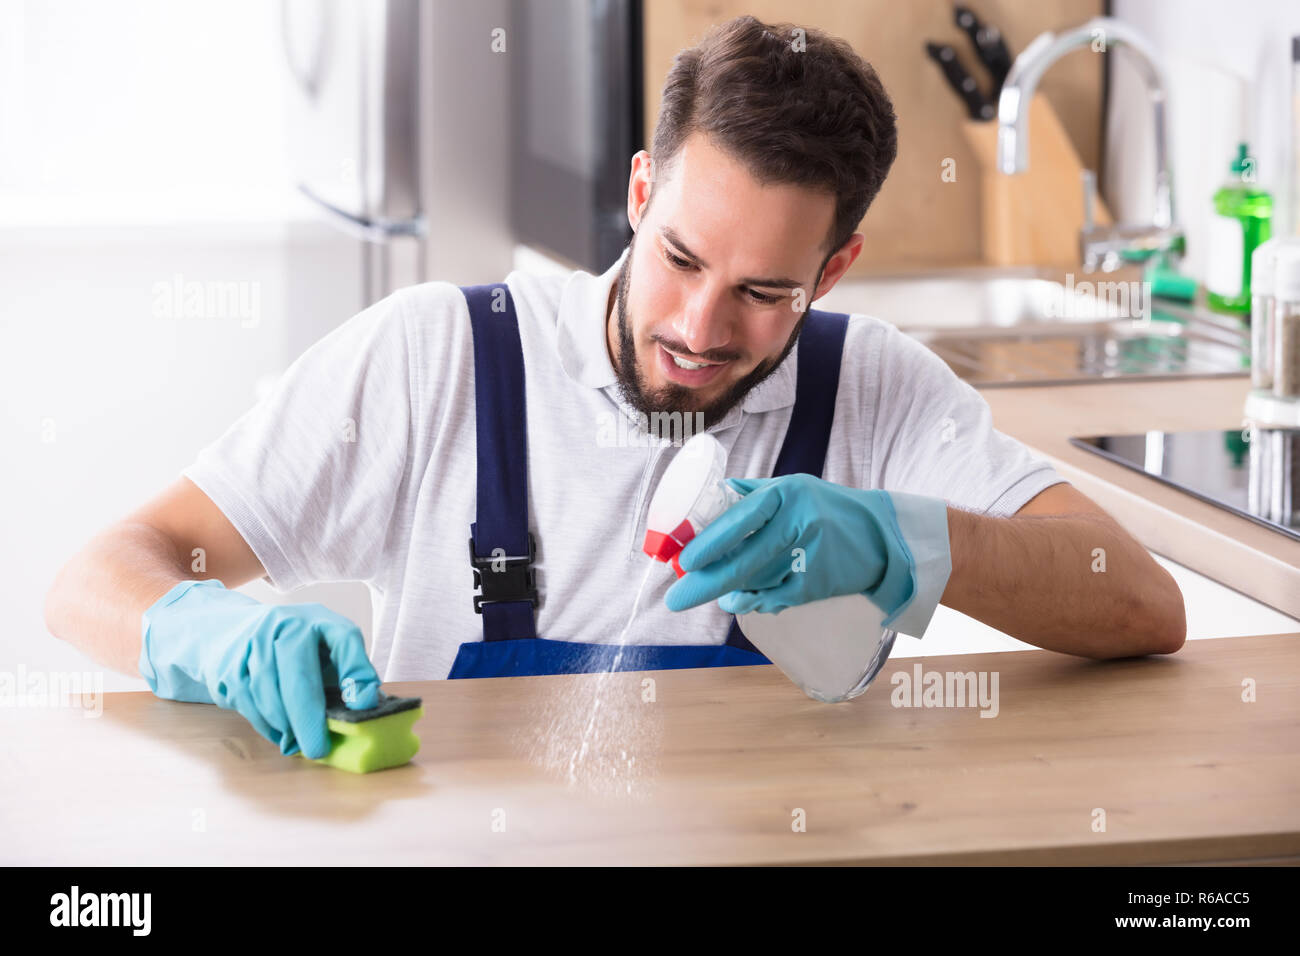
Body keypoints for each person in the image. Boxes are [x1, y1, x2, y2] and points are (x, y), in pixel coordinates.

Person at [44, 15, 1186, 760]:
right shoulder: (438, 356)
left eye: (761, 290)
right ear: (640, 192)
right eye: (681, 258)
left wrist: (906, 541)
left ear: (834, 270)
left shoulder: (874, 389)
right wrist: (212, 630)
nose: (696, 329)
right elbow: (99, 575)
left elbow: (1138, 600)